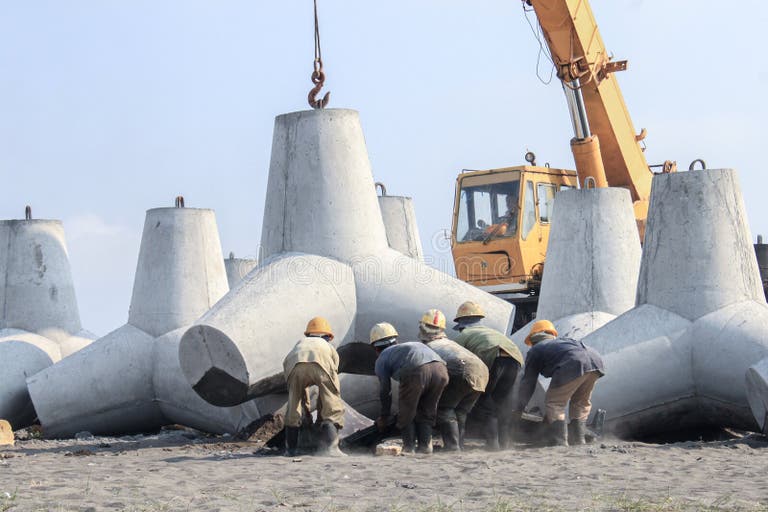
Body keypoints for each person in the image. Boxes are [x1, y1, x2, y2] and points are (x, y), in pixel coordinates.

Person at [514, 319, 605, 446]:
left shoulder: (536, 350)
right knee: (580, 403)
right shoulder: (561, 344)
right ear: (552, 335)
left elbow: (528, 383)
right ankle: (579, 440)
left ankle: (560, 441)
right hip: (595, 360)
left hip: (574, 361)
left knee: (555, 403)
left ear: (533, 340)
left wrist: (519, 407)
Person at [452, 301, 524, 450]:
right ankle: (505, 444)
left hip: (493, 357)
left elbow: (455, 360)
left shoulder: (464, 334)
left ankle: (492, 445)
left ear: (461, 323)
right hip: (515, 359)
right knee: (502, 404)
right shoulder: (492, 332)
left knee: (486, 404)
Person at [371, 322, 449, 455]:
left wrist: (384, 416)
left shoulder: (382, 358)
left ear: (375, 348)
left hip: (417, 370)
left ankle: (409, 448)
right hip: (441, 370)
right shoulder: (407, 347)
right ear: (395, 340)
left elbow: (385, 390)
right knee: (426, 410)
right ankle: (425, 447)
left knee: (407, 410)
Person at [417, 309, 489, 451]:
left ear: (422, 328)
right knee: (461, 411)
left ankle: (452, 447)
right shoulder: (450, 343)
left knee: (445, 408)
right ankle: (458, 445)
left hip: (461, 368)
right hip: (482, 371)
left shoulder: (428, 347)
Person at [282, 317, 345, 457]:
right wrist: (323, 417)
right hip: (321, 362)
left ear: (308, 334)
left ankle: (291, 450)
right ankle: (332, 449)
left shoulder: (300, 343)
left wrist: (306, 417)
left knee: (294, 406)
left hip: (293, 365)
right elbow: (331, 383)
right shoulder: (327, 346)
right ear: (328, 336)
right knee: (332, 402)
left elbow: (286, 365)